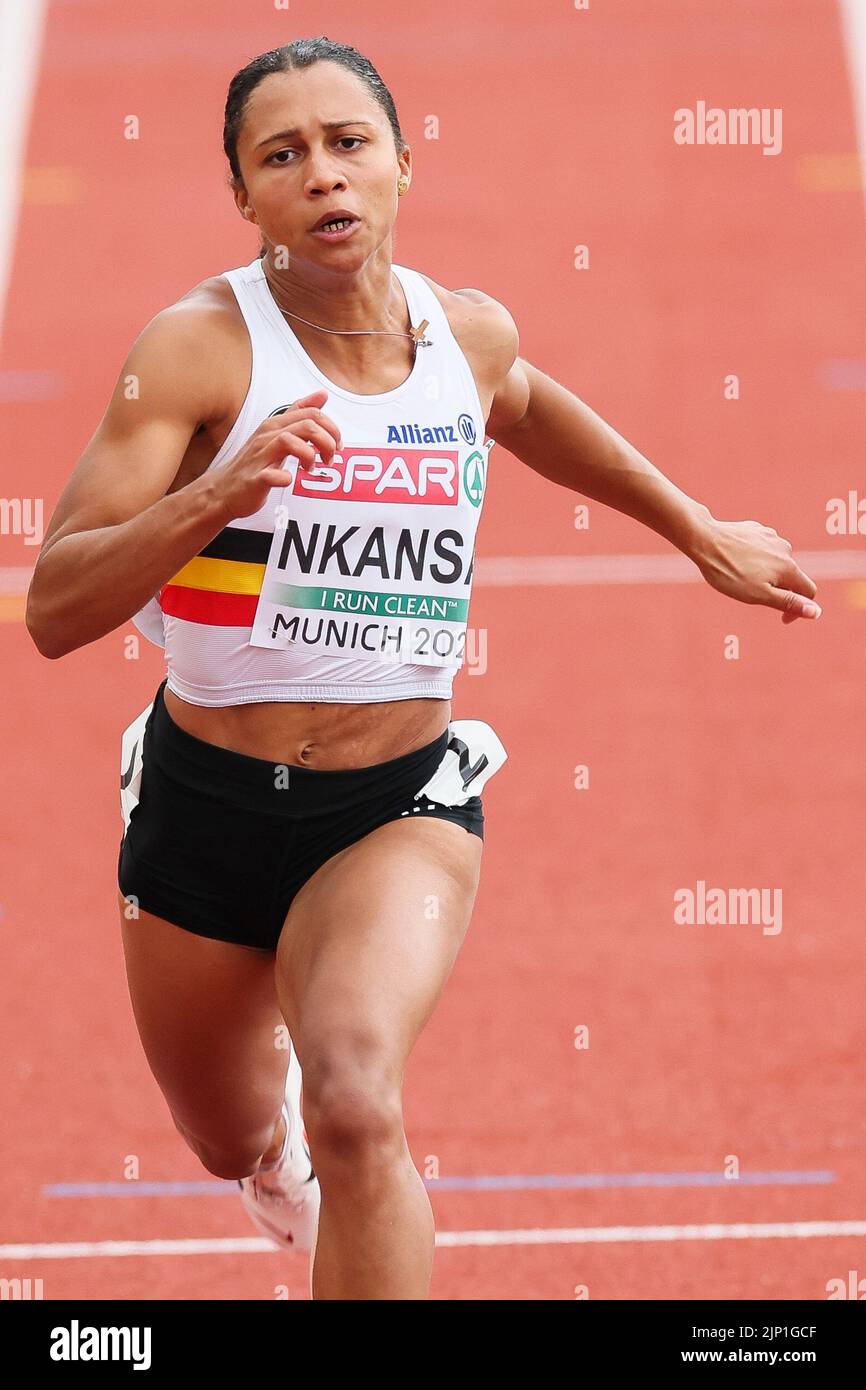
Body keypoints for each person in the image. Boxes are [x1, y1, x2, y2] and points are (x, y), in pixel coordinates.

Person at [25, 36, 821, 1301]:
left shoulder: (466, 336)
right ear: (242, 196)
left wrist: (697, 528)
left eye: (348, 144)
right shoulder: (192, 351)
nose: (322, 175)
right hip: (204, 806)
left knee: (355, 1097)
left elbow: (532, 408)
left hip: (393, 804)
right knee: (228, 1134)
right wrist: (217, 493)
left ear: (403, 163)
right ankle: (270, 1161)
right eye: (281, 155)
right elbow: (55, 608)